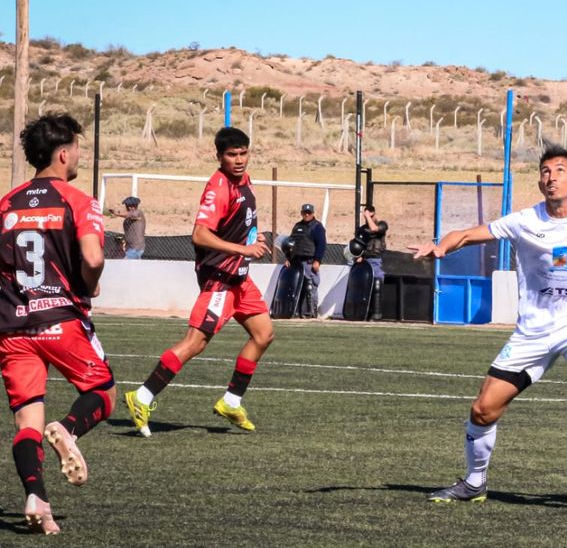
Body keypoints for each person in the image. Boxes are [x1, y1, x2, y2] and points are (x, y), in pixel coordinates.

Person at [412, 145, 567, 503]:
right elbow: (467, 235)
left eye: (560, 170)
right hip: (533, 329)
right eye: (546, 172)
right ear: (539, 181)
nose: (552, 177)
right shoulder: (524, 221)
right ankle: (474, 483)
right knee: (483, 409)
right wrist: (440, 247)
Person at [0, 114, 115, 534]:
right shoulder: (78, 200)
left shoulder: (7, 203)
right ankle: (68, 429)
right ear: (63, 153)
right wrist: (91, 284)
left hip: (13, 325)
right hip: (61, 319)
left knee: (25, 421)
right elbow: (94, 258)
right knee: (103, 392)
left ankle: (37, 499)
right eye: (77, 149)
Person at [124, 127, 273, 436]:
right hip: (220, 278)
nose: (239, 160)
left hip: (239, 277)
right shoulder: (219, 187)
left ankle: (231, 401)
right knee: (196, 342)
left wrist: (253, 236)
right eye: (231, 155)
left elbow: (240, 221)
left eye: (243, 153)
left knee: (263, 334)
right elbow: (200, 234)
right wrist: (244, 248)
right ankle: (142, 396)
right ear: (218, 156)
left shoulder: (244, 181)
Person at [287, 203, 326, 317]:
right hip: (296, 262)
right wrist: (288, 258)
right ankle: (297, 312)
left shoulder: (317, 227)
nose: (307, 214)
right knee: (297, 287)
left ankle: (311, 313)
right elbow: (291, 243)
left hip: (310, 261)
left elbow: (321, 245)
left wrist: (317, 260)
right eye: (305, 212)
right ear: (301, 213)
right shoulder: (297, 226)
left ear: (313, 213)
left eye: (309, 212)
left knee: (310, 287)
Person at [354, 205, 388, 320]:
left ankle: (377, 314)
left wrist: (368, 216)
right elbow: (358, 245)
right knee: (362, 286)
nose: (367, 217)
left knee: (377, 282)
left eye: (369, 215)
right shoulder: (362, 229)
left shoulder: (382, 225)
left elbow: (374, 229)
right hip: (363, 260)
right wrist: (358, 256)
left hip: (375, 259)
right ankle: (363, 312)